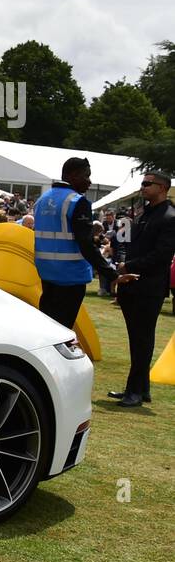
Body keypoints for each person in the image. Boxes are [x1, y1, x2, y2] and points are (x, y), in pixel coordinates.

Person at [108, 171, 175, 406]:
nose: (143, 187)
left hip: (149, 287)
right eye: (142, 183)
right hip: (132, 285)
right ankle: (140, 388)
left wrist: (128, 265)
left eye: (148, 184)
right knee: (137, 340)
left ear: (163, 188)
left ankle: (134, 391)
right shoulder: (145, 213)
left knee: (142, 340)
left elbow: (161, 256)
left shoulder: (169, 216)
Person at [32, 157, 117, 331]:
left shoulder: (42, 200)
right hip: (70, 276)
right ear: (73, 176)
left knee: (46, 327)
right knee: (61, 331)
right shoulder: (77, 201)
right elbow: (85, 244)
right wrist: (111, 274)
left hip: (46, 273)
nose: (89, 182)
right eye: (86, 176)